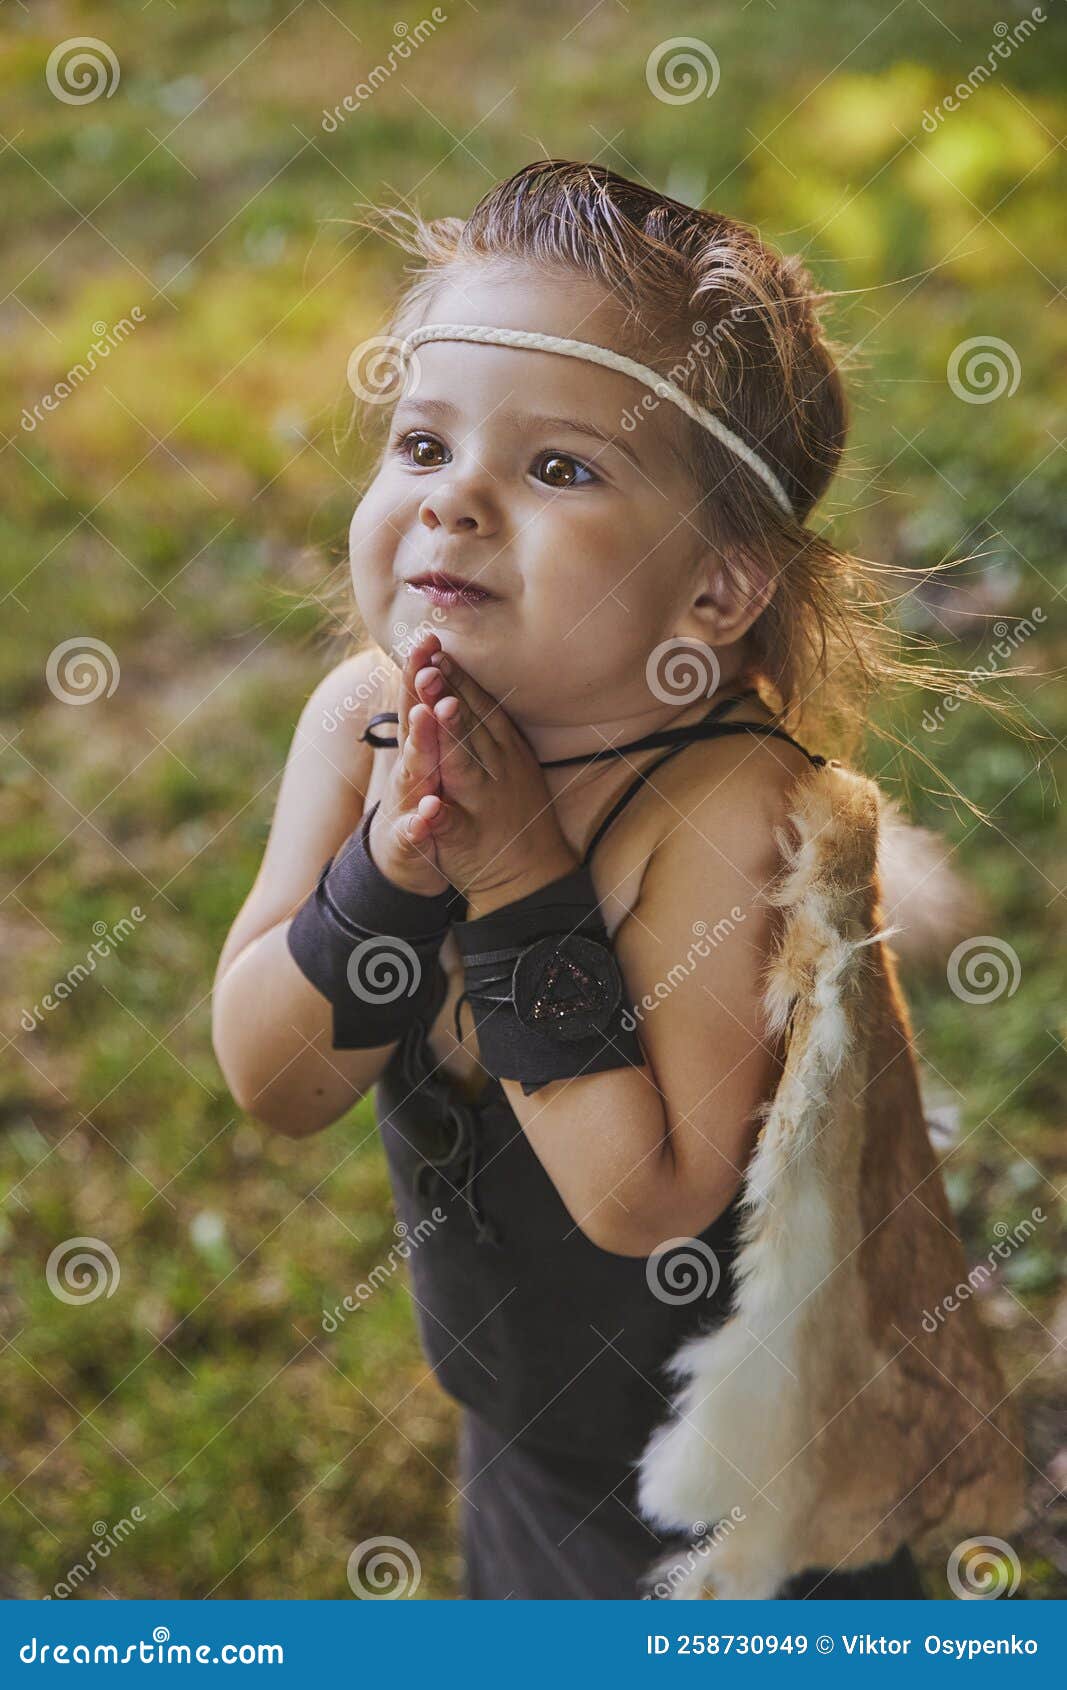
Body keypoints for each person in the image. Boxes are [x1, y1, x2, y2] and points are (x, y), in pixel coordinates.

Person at [212, 161, 1022, 1600]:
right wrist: (387, 876)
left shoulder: (723, 805)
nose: (453, 500)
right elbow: (274, 1080)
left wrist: (518, 872)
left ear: (717, 591)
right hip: (521, 1434)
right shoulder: (364, 723)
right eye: (419, 443)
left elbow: (645, 1200)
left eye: (558, 466)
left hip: (742, 1498)